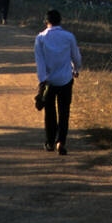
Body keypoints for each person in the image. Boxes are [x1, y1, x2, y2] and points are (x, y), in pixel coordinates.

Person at [34, 9, 81, 154]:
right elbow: (76, 56)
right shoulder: (69, 36)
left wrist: (42, 81)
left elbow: (40, 62)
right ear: (60, 21)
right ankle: (61, 141)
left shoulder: (40, 38)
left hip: (49, 81)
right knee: (64, 111)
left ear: (46, 22)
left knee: (50, 112)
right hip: (66, 79)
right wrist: (76, 69)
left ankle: (50, 142)